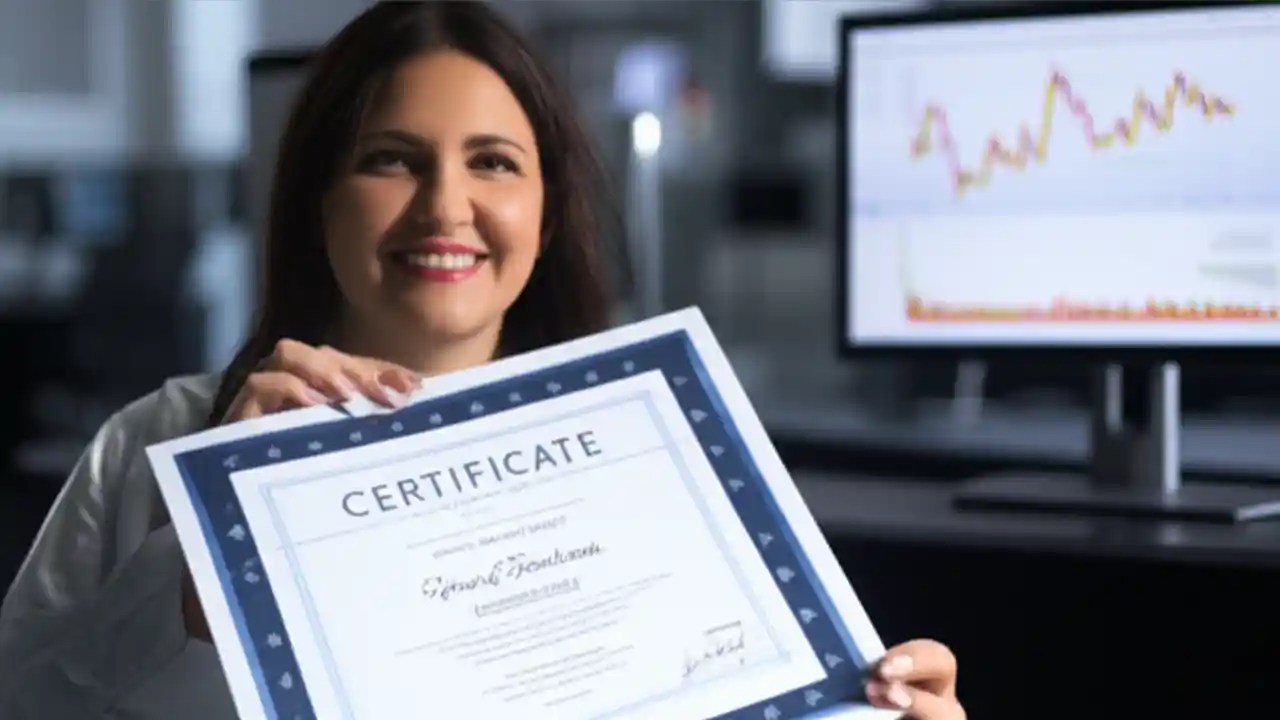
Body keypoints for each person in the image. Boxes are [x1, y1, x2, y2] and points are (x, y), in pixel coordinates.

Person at [0, 2, 965, 718]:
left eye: (495, 162)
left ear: (546, 219)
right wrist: (193, 577)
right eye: (391, 158)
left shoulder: (659, 457)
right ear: (315, 202)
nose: (444, 207)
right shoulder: (158, 444)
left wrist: (878, 706)